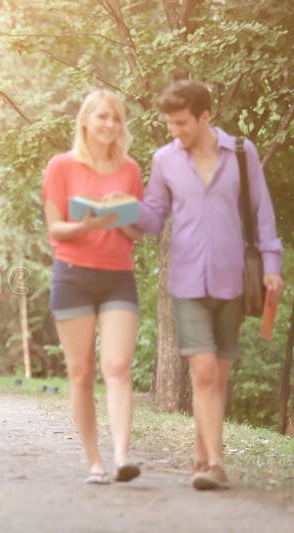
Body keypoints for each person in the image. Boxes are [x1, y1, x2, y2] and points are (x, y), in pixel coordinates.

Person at [138, 79, 284, 491]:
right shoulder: (164, 159)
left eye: (182, 122)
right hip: (185, 280)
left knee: (217, 376)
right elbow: (152, 217)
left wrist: (272, 264)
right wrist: (121, 209)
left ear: (206, 116)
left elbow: (262, 211)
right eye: (169, 123)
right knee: (202, 371)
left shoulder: (241, 153)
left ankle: (201, 459)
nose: (175, 131)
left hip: (232, 278)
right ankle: (216, 465)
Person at [42, 89, 143, 484]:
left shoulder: (130, 169)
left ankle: (121, 457)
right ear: (85, 120)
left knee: (117, 367)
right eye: (102, 117)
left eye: (116, 119)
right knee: (81, 373)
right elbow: (55, 228)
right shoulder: (61, 166)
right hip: (73, 276)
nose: (109, 125)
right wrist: (85, 225)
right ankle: (94, 460)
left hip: (118, 276)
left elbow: (137, 231)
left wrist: (121, 214)